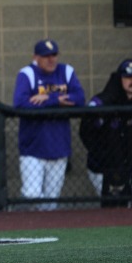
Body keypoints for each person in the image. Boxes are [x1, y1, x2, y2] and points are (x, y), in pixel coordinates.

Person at [12, 39, 85, 211]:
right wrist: (58, 100)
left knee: (51, 204)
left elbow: (80, 98)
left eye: (54, 55)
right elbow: (21, 103)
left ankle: (42, 234)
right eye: (46, 56)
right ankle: (20, 223)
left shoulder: (66, 71)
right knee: (31, 195)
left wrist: (49, 98)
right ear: (35, 57)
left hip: (59, 148)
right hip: (33, 149)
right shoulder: (27, 74)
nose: (51, 60)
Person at [80, 60, 132, 207]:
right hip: (101, 167)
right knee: (111, 206)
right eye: (128, 77)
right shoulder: (104, 100)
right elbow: (85, 131)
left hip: (128, 167)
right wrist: (103, 156)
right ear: (120, 78)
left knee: (125, 208)